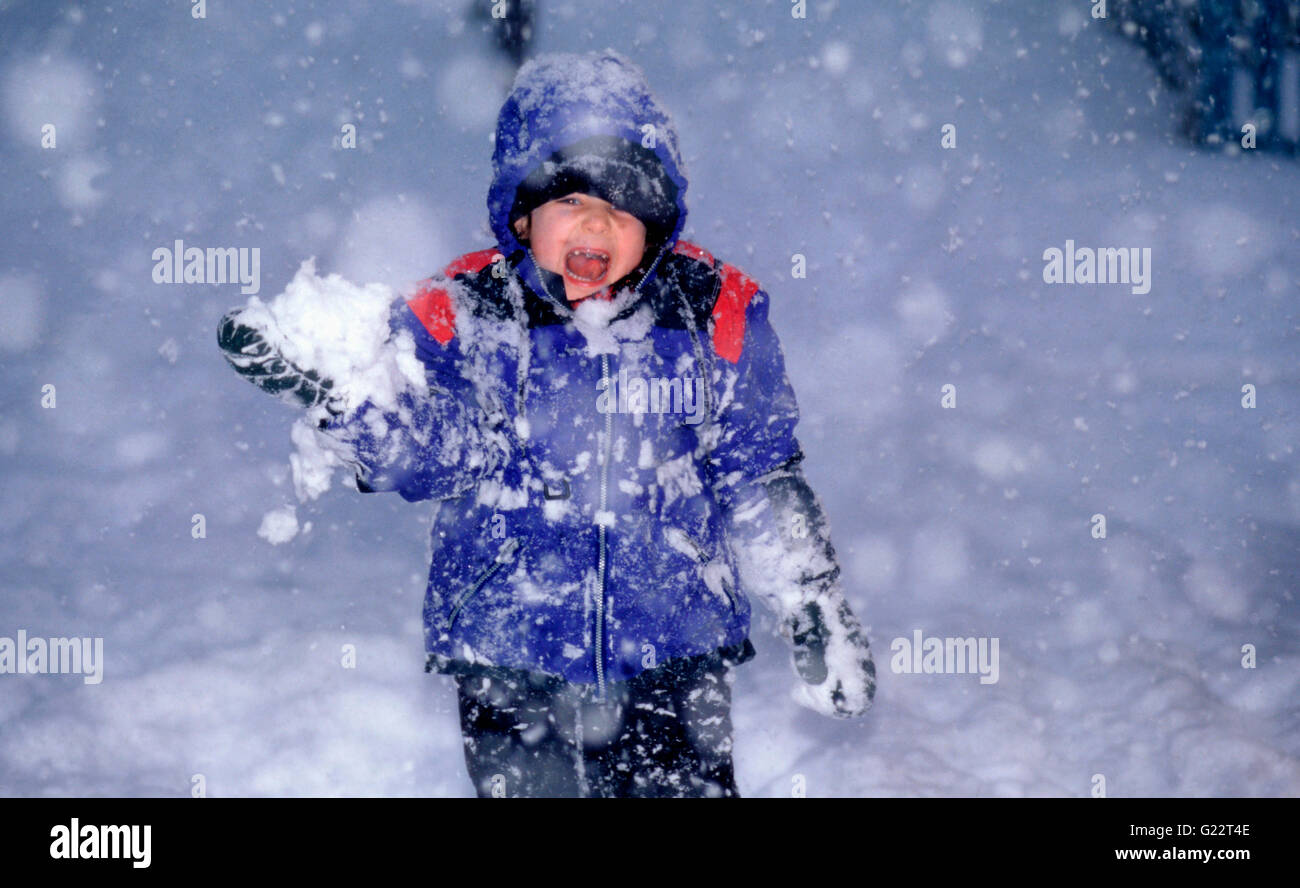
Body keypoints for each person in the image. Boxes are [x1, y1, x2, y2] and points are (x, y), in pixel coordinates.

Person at [218, 50, 875, 798]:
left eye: (624, 205)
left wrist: (809, 596)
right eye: (570, 200)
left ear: (657, 222)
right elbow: (438, 452)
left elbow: (754, 470)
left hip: (675, 652)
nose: (597, 220)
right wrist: (354, 402)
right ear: (521, 214)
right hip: (512, 656)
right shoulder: (464, 314)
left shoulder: (712, 312)